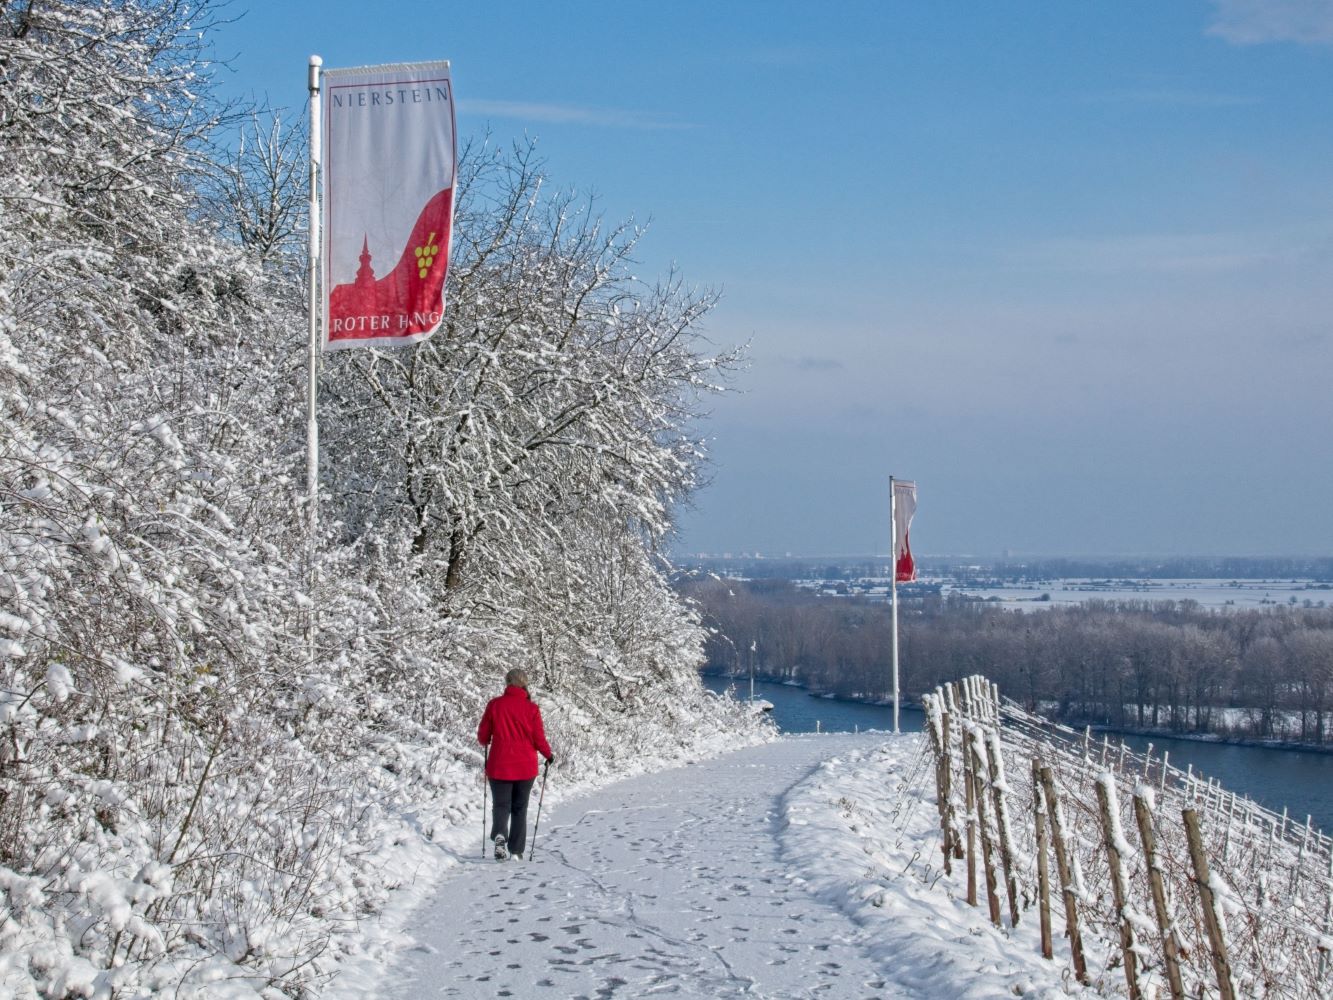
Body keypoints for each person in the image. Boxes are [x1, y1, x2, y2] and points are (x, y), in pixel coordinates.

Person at [477, 668, 553, 861]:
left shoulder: (495, 705)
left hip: (499, 765)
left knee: (501, 805)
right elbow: (538, 738)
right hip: (525, 767)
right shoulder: (532, 708)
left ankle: (500, 835)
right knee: (520, 807)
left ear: (507, 682)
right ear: (525, 684)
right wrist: (548, 755)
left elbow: (483, 736)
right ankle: (517, 850)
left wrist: (487, 739)